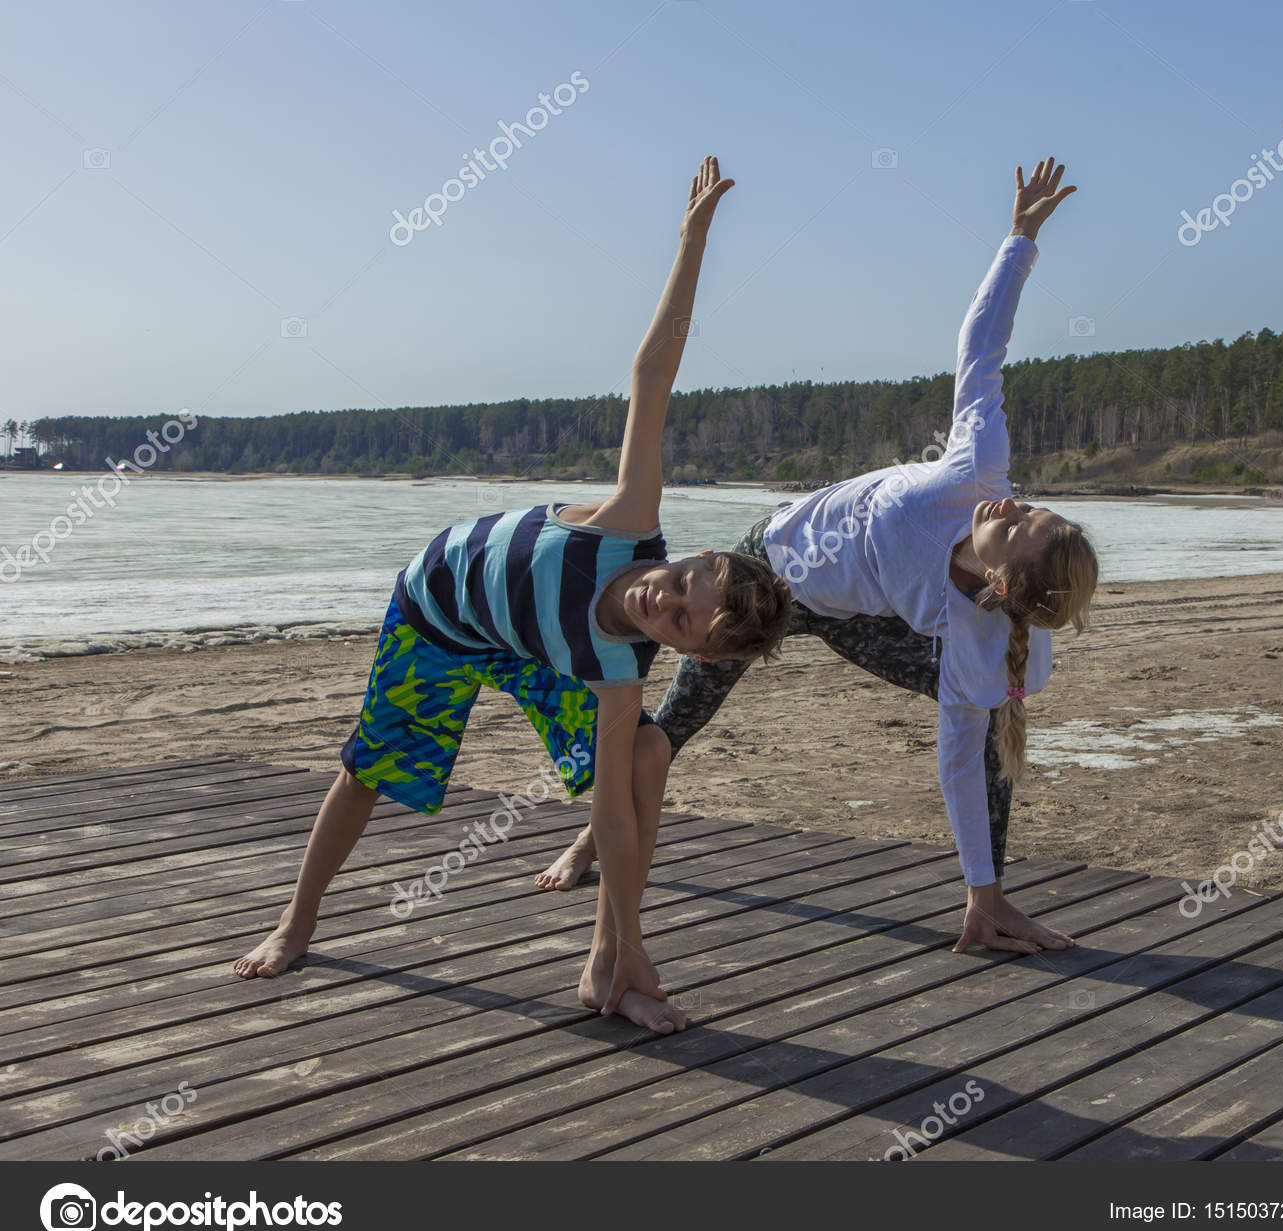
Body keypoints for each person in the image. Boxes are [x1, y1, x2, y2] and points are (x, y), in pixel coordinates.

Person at [234, 157, 792, 1035]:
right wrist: (692, 242)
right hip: (439, 613)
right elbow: (655, 373)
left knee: (644, 756)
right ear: (688, 554)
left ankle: (610, 962)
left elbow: (610, 812)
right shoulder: (627, 518)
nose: (663, 600)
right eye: (682, 580)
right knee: (370, 767)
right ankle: (295, 922)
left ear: (687, 654)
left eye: (682, 622)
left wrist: (638, 934)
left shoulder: (617, 671)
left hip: (533, 646)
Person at [537, 157, 1099, 956]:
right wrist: (1018, 241)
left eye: (1017, 526)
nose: (1008, 504)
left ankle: (991, 903)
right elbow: (982, 347)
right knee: (678, 720)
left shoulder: (983, 638)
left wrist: (977, 886)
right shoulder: (976, 469)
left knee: (978, 731)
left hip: (851, 615)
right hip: (767, 575)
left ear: (1005, 581)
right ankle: (595, 840)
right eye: (1031, 506)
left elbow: (954, 766)